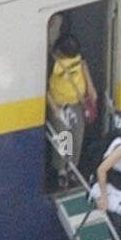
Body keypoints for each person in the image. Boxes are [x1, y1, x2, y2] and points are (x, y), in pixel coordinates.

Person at [46, 35, 96, 186]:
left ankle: (72, 168)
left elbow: (83, 65)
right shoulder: (52, 63)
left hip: (76, 103)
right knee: (63, 137)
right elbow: (45, 88)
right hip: (60, 105)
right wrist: (53, 107)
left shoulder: (77, 56)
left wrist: (90, 86)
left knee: (77, 136)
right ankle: (61, 170)